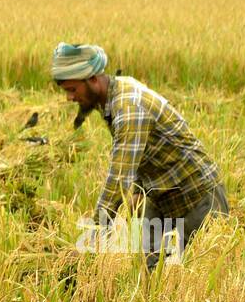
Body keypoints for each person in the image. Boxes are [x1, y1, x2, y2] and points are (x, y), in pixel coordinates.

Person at [52, 43, 228, 269]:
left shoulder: (129, 108)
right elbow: (139, 156)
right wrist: (137, 191)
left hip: (197, 197)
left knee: (198, 274)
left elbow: (118, 179)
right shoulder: (113, 97)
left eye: (72, 89)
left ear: (93, 80)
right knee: (150, 268)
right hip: (162, 195)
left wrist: (94, 233)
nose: (69, 98)